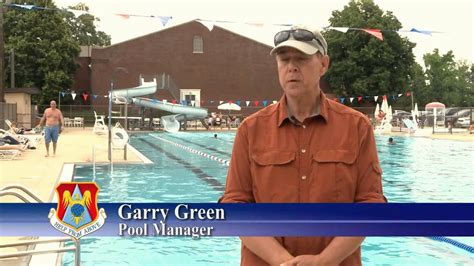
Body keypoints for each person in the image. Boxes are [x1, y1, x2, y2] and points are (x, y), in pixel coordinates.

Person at [219, 25, 386, 266]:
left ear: (324, 64)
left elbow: (371, 205)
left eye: (301, 58)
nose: (291, 67)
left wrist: (325, 260)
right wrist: (283, 261)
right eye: (284, 59)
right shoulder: (251, 129)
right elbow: (234, 208)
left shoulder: (356, 127)